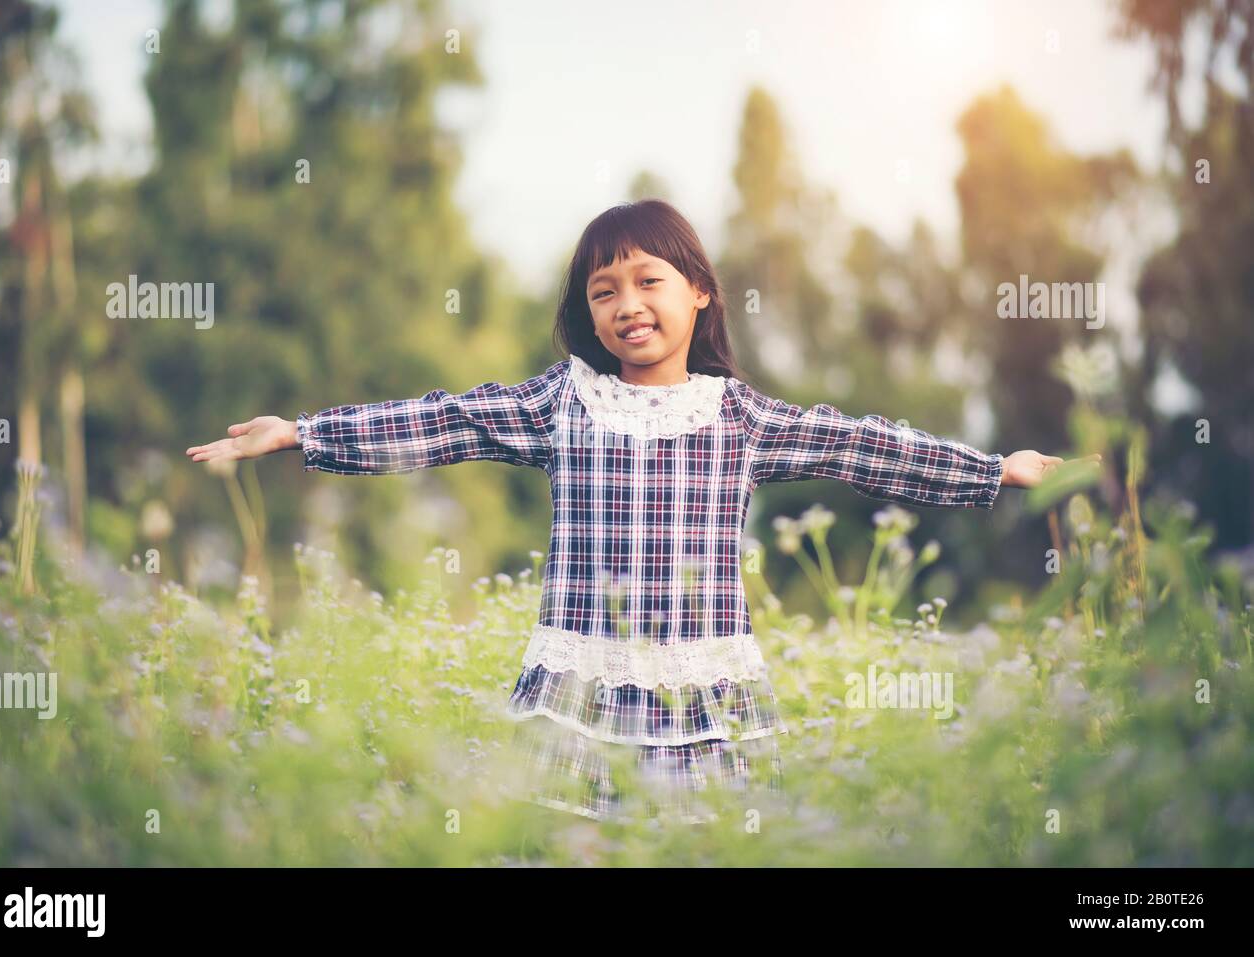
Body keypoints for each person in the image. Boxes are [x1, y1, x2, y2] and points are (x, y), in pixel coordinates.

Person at [186, 199, 1100, 825]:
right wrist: (303, 433)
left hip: (703, 697)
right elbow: (441, 420)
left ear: (698, 290)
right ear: (588, 313)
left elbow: (863, 444)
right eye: (604, 291)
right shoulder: (562, 403)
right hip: (578, 692)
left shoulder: (741, 417)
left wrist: (994, 470)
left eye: (648, 281)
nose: (627, 306)